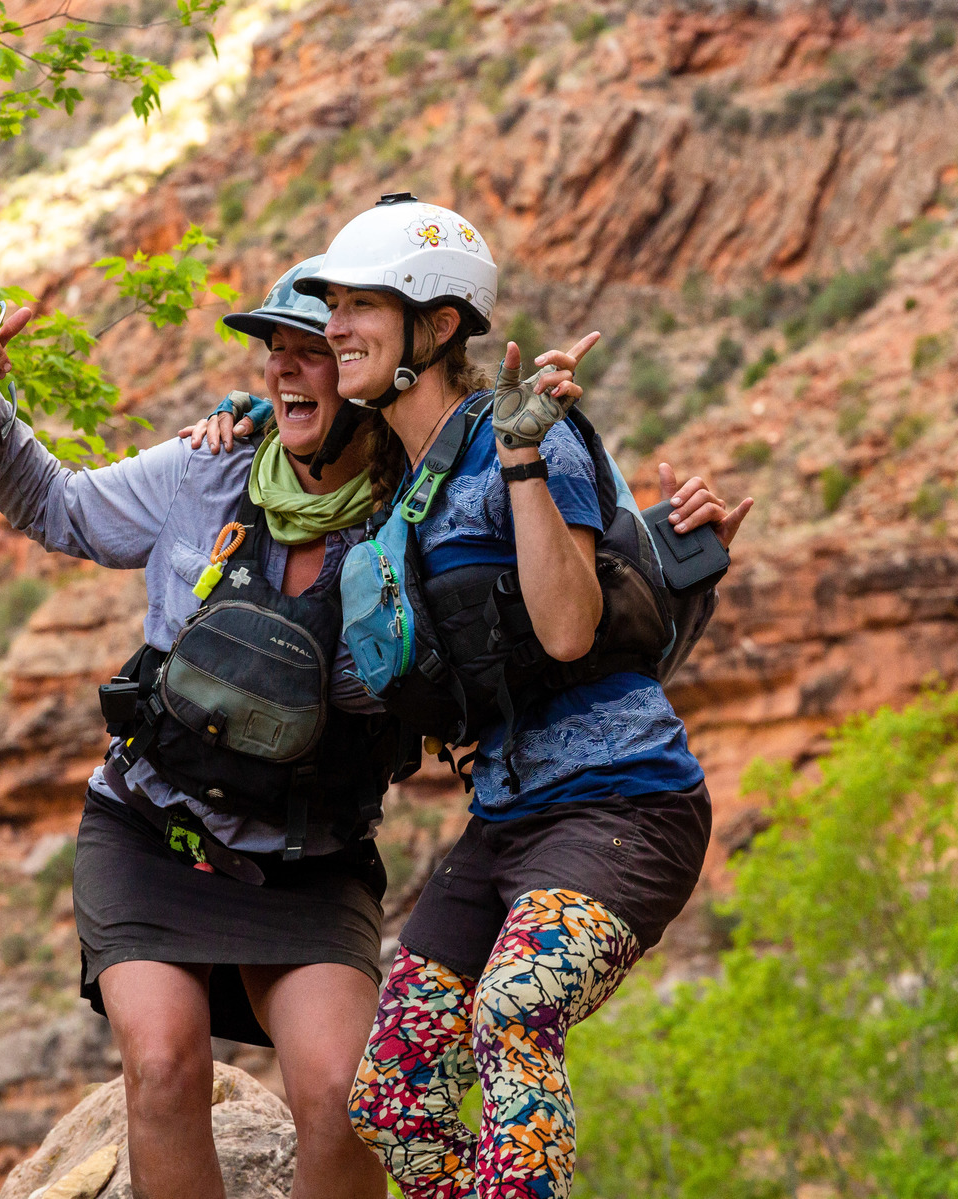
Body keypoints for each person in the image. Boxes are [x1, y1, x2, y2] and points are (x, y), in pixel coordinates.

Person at [0, 259, 449, 1199]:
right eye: (275, 354)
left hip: (308, 855)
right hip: (152, 830)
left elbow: (523, 591)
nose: (288, 372)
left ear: (364, 375)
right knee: (165, 1063)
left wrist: (667, 554)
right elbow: (61, 505)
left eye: (314, 353)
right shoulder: (205, 469)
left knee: (345, 1095)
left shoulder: (411, 513)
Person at [292, 195, 752, 1199]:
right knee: (395, 1095)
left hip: (626, 802)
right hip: (505, 820)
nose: (335, 328)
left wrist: (526, 460)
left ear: (439, 323)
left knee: (514, 1007)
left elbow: (568, 628)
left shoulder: (534, 444)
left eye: (360, 304)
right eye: (331, 306)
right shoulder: (392, 495)